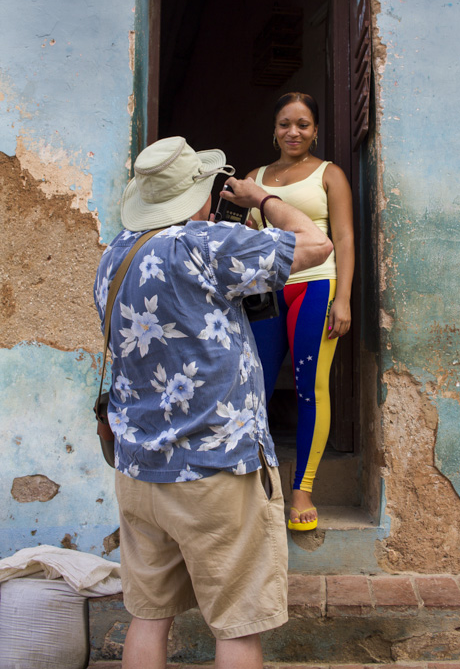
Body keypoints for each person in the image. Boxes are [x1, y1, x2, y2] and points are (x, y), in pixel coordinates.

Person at [93, 136, 333, 669]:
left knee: (149, 616)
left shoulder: (114, 254)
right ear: (200, 192)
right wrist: (261, 199)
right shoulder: (205, 243)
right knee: (238, 626)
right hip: (216, 472)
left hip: (139, 470)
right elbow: (315, 244)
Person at [246, 92, 354, 532]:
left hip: (317, 288)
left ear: (314, 130)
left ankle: (302, 490)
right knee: (253, 387)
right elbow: (246, 240)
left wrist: (343, 297)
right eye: (286, 124)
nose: (294, 132)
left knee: (311, 388)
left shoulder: (330, 175)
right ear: (273, 129)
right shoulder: (254, 178)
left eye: (304, 124)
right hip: (266, 292)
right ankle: (252, 486)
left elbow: (344, 239)